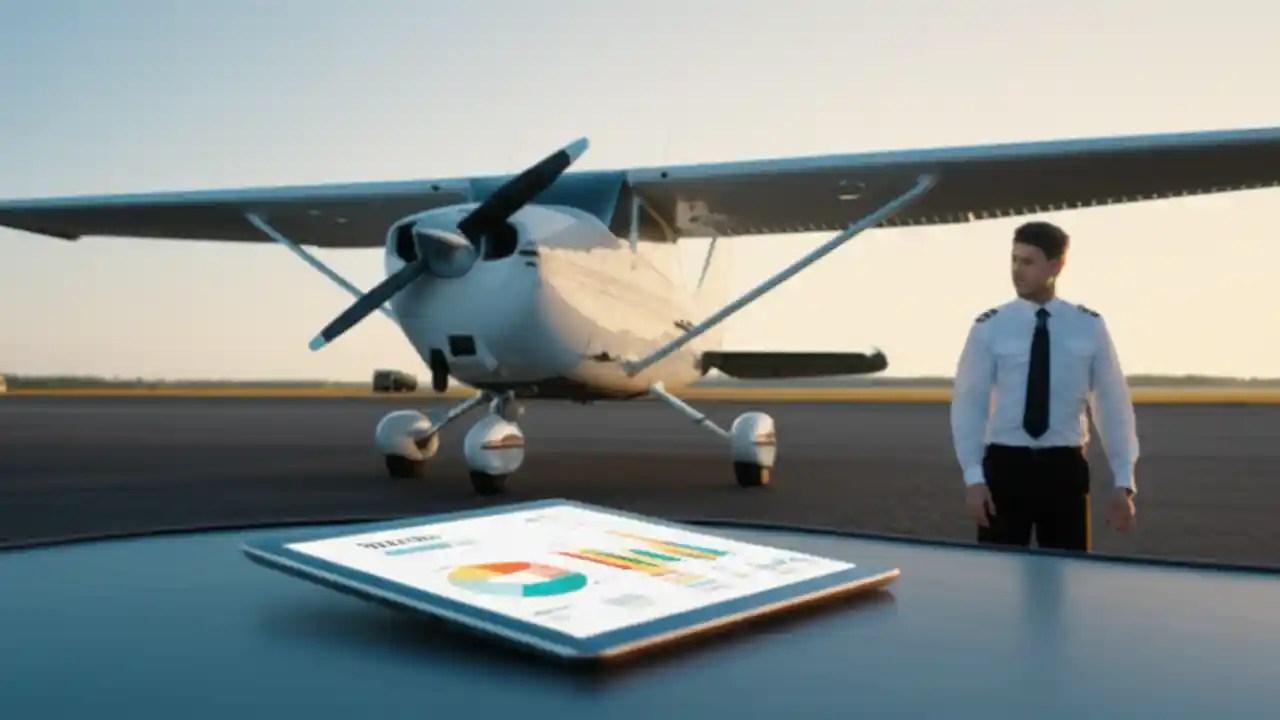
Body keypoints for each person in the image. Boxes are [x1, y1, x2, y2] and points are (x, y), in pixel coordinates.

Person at [949, 221, 1139, 552]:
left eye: (1028, 262)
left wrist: (1124, 483)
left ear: (1056, 266)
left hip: (1063, 471)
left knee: (1065, 582)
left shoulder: (1088, 326)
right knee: (999, 584)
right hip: (1005, 470)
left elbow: (1112, 406)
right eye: (1014, 260)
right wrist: (974, 478)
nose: (1017, 271)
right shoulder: (989, 327)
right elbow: (969, 405)